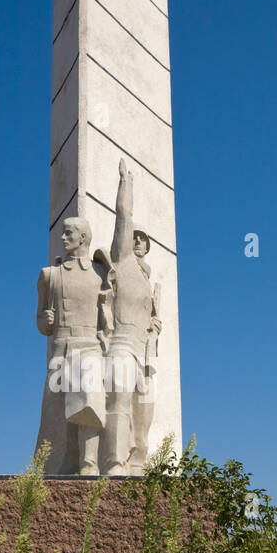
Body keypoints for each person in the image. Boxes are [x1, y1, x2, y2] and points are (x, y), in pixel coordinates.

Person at [35, 215, 110, 475]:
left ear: (83, 237)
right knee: (57, 415)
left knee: (88, 405)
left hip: (90, 345)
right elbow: (42, 325)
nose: (63, 237)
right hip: (61, 346)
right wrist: (45, 320)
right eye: (63, 232)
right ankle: (58, 471)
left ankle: (89, 465)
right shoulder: (50, 275)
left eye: (69, 233)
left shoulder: (102, 273)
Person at [100, 161, 161, 476]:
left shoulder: (148, 283)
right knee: (119, 403)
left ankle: (137, 464)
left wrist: (155, 324)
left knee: (143, 414)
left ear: (148, 246)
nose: (136, 240)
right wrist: (127, 183)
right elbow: (123, 216)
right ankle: (113, 462)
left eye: (142, 238)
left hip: (144, 351)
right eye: (133, 237)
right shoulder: (122, 260)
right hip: (122, 344)